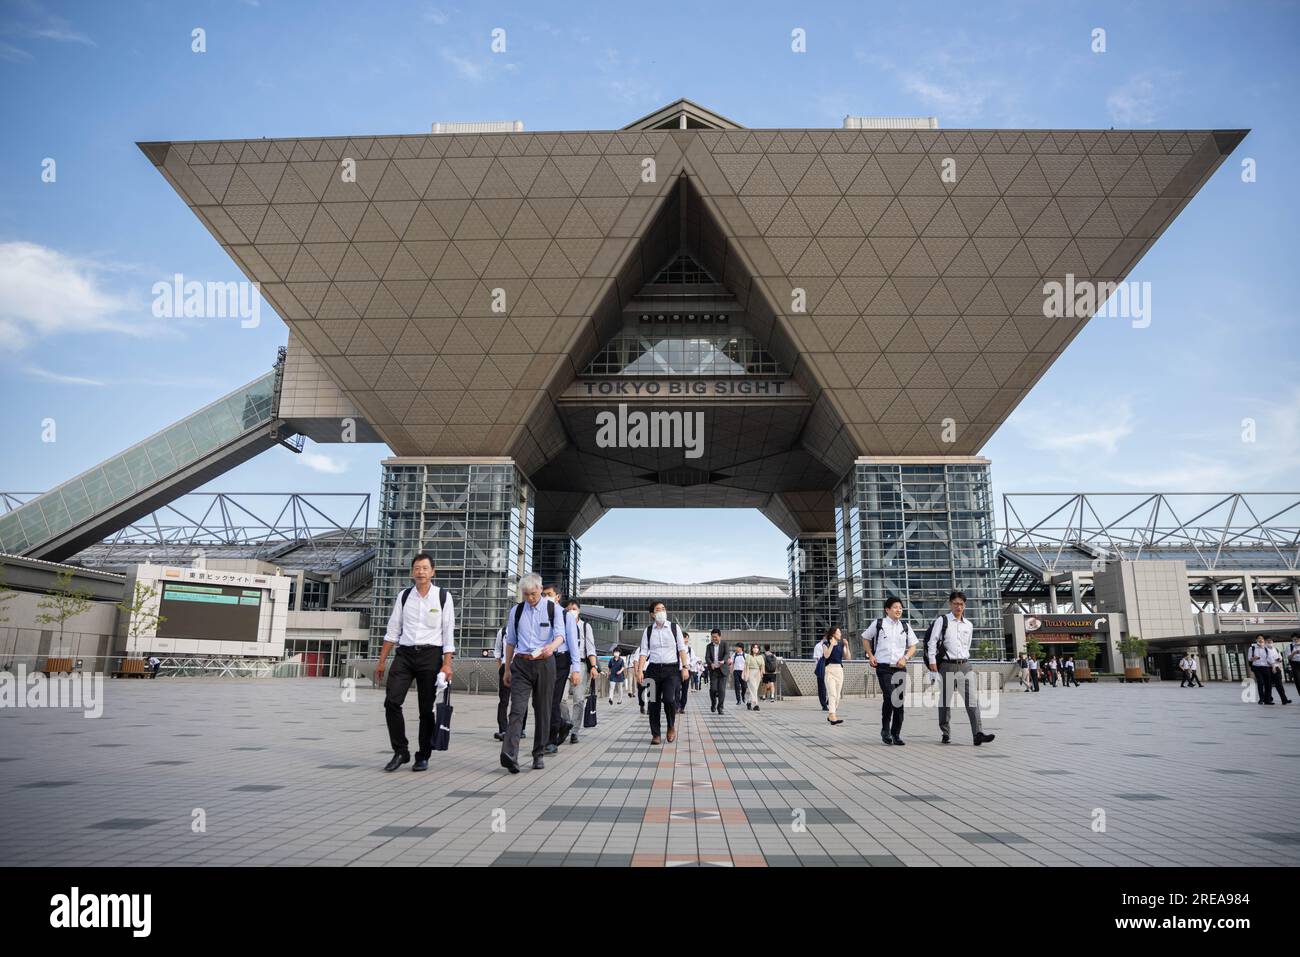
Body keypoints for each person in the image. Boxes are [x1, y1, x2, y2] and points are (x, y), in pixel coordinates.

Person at [375, 553, 455, 773]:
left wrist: (447, 664)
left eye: (425, 568)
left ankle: (423, 755)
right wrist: (382, 661)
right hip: (405, 655)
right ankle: (401, 750)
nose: (420, 572)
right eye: (417, 568)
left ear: (432, 571)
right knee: (391, 702)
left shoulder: (443, 597)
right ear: (412, 572)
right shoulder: (404, 596)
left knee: (425, 709)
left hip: (431, 656)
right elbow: (392, 630)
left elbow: (448, 632)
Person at [499, 573, 572, 773]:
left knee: (543, 709)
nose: (529, 598)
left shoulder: (553, 609)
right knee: (517, 710)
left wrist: (551, 646)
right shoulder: (517, 610)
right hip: (521, 664)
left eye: (532, 594)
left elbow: (560, 636)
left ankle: (538, 753)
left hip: (545, 663)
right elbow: (510, 641)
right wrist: (506, 668)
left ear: (540, 589)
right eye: (525, 594)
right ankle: (509, 755)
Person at [927, 590, 994, 747]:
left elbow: (967, 645)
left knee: (972, 701)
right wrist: (932, 662)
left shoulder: (969, 625)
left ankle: (978, 733)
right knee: (945, 702)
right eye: (956, 603)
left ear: (965, 606)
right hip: (946, 666)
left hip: (965, 665)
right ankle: (945, 732)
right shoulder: (942, 621)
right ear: (950, 604)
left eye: (961, 604)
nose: (958, 606)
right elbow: (932, 641)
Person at [862, 597, 917, 746]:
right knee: (890, 696)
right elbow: (865, 638)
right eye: (895, 607)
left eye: (900, 607)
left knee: (898, 701)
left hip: (900, 668)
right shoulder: (879, 624)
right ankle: (885, 730)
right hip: (884, 667)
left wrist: (905, 658)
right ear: (887, 610)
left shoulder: (905, 626)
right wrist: (871, 655)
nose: (898, 610)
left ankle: (896, 734)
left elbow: (913, 646)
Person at [637, 601, 689, 745]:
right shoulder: (648, 631)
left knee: (669, 699)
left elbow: (681, 649)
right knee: (653, 702)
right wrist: (640, 670)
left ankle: (671, 726)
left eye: (663, 609)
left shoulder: (674, 628)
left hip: (671, 670)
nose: (661, 611)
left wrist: (685, 667)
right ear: (652, 614)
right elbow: (643, 652)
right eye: (658, 609)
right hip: (653, 670)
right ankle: (656, 734)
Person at [541, 585, 583, 754]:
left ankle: (551, 741)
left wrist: (576, 669)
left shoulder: (566, 616)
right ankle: (562, 724)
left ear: (557, 597)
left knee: (553, 700)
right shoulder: (540, 613)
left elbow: (573, 643)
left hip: (561, 660)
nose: (545, 597)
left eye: (549, 594)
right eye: (543, 594)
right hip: (543, 660)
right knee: (542, 701)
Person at [565, 598, 600, 743]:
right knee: (560, 700)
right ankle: (566, 724)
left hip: (580, 665)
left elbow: (591, 648)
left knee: (578, 700)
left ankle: (574, 731)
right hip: (563, 665)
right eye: (568, 609)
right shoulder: (560, 624)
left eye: (574, 608)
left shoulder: (586, 627)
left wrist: (593, 666)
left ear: (579, 610)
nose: (571, 611)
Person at [493, 623, 526, 741]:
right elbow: (497, 650)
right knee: (503, 700)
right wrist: (501, 667)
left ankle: (520, 729)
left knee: (520, 699)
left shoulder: (524, 629)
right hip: (505, 666)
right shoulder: (502, 632)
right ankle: (503, 728)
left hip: (520, 667)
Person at [821, 627, 848, 725]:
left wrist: (847, 646)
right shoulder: (826, 644)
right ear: (833, 634)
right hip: (829, 670)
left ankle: (831, 715)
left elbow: (848, 657)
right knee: (832, 693)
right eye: (839, 632)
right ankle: (832, 715)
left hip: (839, 670)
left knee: (837, 696)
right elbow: (826, 655)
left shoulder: (841, 644)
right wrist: (832, 645)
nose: (840, 634)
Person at [704, 629, 729, 714]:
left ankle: (720, 707)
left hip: (723, 670)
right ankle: (713, 703)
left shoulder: (725, 644)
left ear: (719, 636)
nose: (714, 638)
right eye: (712, 637)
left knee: (722, 690)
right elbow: (707, 657)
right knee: (713, 689)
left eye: (715, 637)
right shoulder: (709, 646)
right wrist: (711, 664)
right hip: (713, 670)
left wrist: (723, 661)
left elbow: (727, 654)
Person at [1247, 636, 1274, 705]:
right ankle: (1261, 699)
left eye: (1262, 639)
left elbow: (1270, 659)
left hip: (1266, 667)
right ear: (1256, 640)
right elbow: (1249, 658)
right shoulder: (1252, 648)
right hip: (1257, 667)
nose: (1260, 640)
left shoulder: (1266, 648)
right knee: (1260, 682)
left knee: (1268, 684)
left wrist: (1273, 667)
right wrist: (1254, 658)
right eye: (1259, 638)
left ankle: (1267, 700)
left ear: (1264, 640)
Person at [1265, 638, 1292, 705]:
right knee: (1268, 685)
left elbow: (1280, 657)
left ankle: (1284, 699)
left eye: (1270, 641)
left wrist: (1279, 659)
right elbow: (1268, 659)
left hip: (1277, 668)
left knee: (1279, 685)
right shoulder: (1264, 649)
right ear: (1265, 642)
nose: (1270, 642)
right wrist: (1273, 664)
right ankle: (1268, 700)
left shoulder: (1275, 649)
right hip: (1268, 668)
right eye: (1268, 641)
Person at [678, 635, 697, 713]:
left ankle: (682, 707)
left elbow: (694, 659)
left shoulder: (690, 649)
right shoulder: (676, 648)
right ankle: (677, 706)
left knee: (685, 690)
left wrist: (689, 666)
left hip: (686, 671)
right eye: (684, 638)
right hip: (677, 671)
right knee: (676, 689)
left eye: (687, 638)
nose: (686, 640)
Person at [744, 643, 765, 712]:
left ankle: (749, 702)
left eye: (757, 648)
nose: (755, 649)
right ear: (752, 649)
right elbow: (746, 666)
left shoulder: (761, 657)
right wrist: (746, 674)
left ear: (759, 649)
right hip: (750, 672)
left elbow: (762, 665)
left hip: (758, 673)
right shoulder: (749, 656)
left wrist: (762, 674)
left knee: (754, 689)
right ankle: (756, 705)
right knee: (753, 688)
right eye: (754, 647)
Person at [814, 633, 831, 710]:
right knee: (822, 687)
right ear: (824, 637)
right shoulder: (818, 646)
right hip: (821, 668)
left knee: (831, 686)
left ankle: (829, 701)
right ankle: (824, 705)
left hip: (830, 668)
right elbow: (818, 658)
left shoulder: (830, 645)